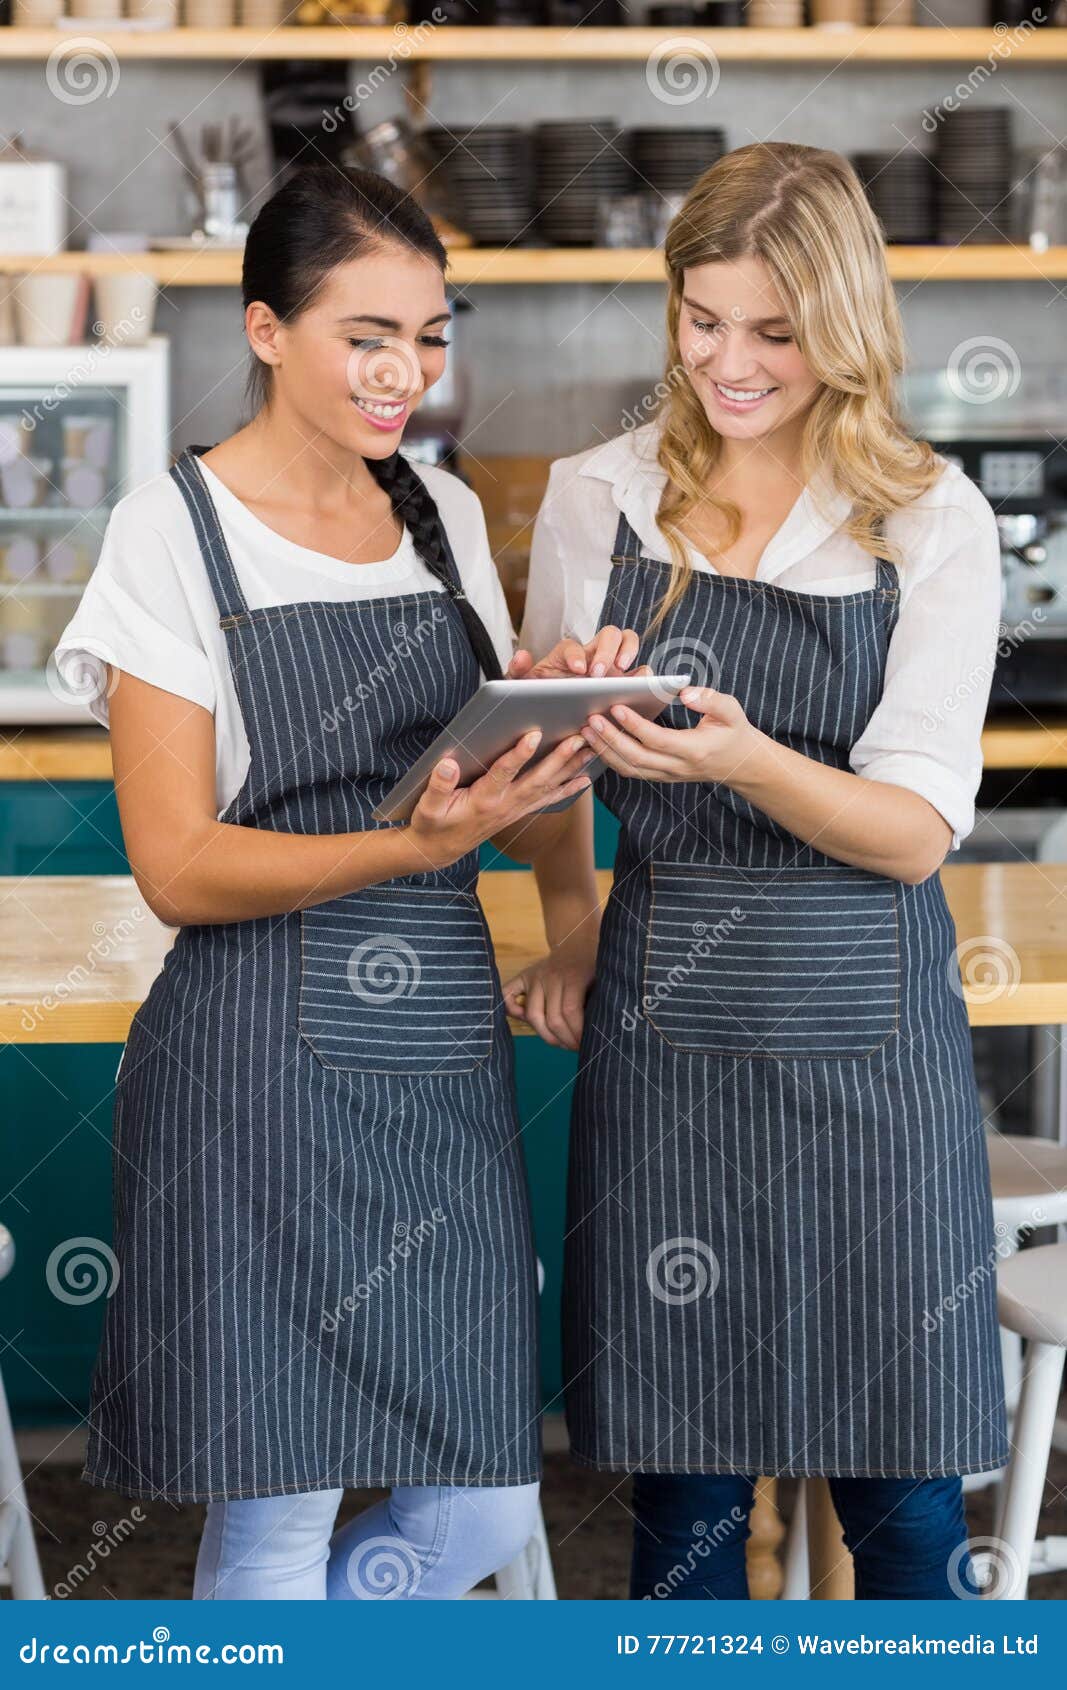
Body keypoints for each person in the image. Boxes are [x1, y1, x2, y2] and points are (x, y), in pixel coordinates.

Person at [53, 163, 624, 1600]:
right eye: (366, 332)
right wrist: (411, 846)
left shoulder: (433, 508)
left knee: (488, 1501)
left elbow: (481, 783)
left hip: (435, 1055)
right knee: (281, 1510)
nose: (406, 370)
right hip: (256, 1064)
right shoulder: (167, 534)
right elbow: (178, 865)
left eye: (430, 334)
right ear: (264, 330)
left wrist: (543, 738)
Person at [509, 141, 1006, 1600]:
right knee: (688, 1508)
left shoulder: (928, 520)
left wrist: (743, 759)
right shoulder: (599, 495)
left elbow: (912, 829)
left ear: (843, 329)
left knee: (907, 1503)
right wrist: (573, 915)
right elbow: (547, 774)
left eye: (774, 333)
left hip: (871, 1055)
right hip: (670, 1043)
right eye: (701, 318)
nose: (729, 362)